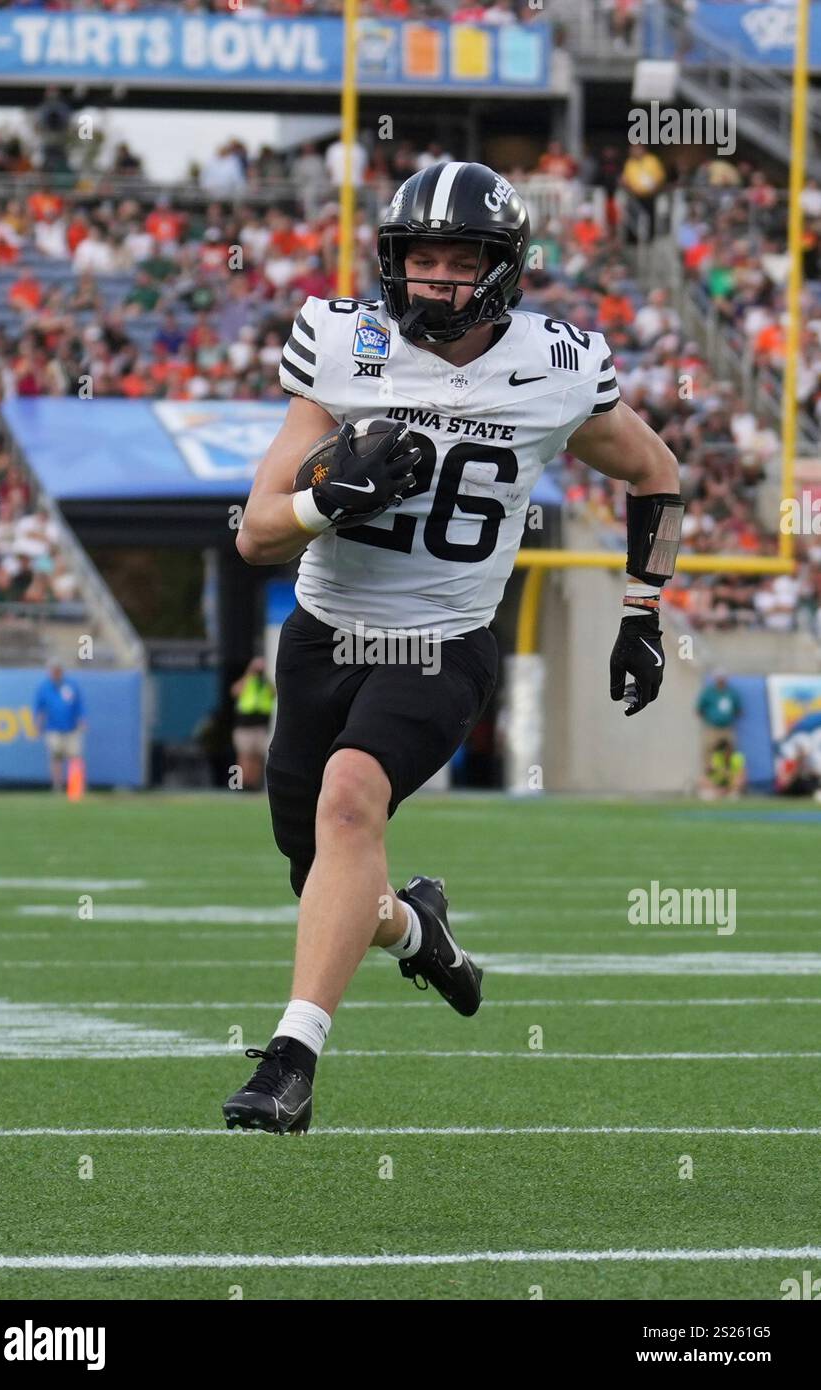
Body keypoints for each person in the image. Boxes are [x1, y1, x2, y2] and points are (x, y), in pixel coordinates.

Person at [223, 160, 683, 1134]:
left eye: (457, 260)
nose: (434, 280)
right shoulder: (342, 343)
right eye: (419, 259)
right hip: (321, 639)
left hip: (442, 641)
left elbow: (656, 471)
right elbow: (257, 533)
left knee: (353, 799)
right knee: (326, 879)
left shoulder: (555, 367)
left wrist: (643, 609)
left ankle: (290, 1059)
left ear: (501, 269)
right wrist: (323, 498)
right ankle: (415, 925)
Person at [33, 663, 86, 793]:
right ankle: (57, 786)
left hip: (71, 727)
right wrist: (38, 724)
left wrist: (82, 719)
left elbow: (79, 705)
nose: (55, 673)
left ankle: (76, 786)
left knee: (75, 756)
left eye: (57, 670)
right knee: (55, 757)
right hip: (53, 728)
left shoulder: (71, 685)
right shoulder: (44, 687)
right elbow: (40, 708)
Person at [230, 657, 275, 790]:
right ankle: (239, 785)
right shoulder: (248, 681)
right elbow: (235, 691)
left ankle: (253, 786)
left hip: (260, 727)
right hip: (244, 727)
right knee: (244, 756)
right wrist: (250, 672)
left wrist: (265, 675)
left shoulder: (266, 683)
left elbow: (275, 693)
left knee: (258, 757)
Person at [695, 670, 741, 755]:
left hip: (727, 727)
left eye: (723, 678)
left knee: (731, 749)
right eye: (719, 678)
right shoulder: (709, 692)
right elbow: (699, 709)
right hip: (713, 727)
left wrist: (728, 717)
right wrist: (709, 718)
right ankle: (710, 767)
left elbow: (738, 709)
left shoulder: (731, 693)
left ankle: (728, 768)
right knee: (710, 748)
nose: (721, 681)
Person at [698, 736, 746, 801]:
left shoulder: (738, 757)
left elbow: (741, 777)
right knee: (702, 780)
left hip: (731, 786)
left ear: (729, 749)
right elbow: (709, 773)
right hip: (718, 786)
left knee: (738, 781)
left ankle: (728, 795)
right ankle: (718, 794)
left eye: (725, 751)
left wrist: (728, 787)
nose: (724, 753)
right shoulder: (717, 756)